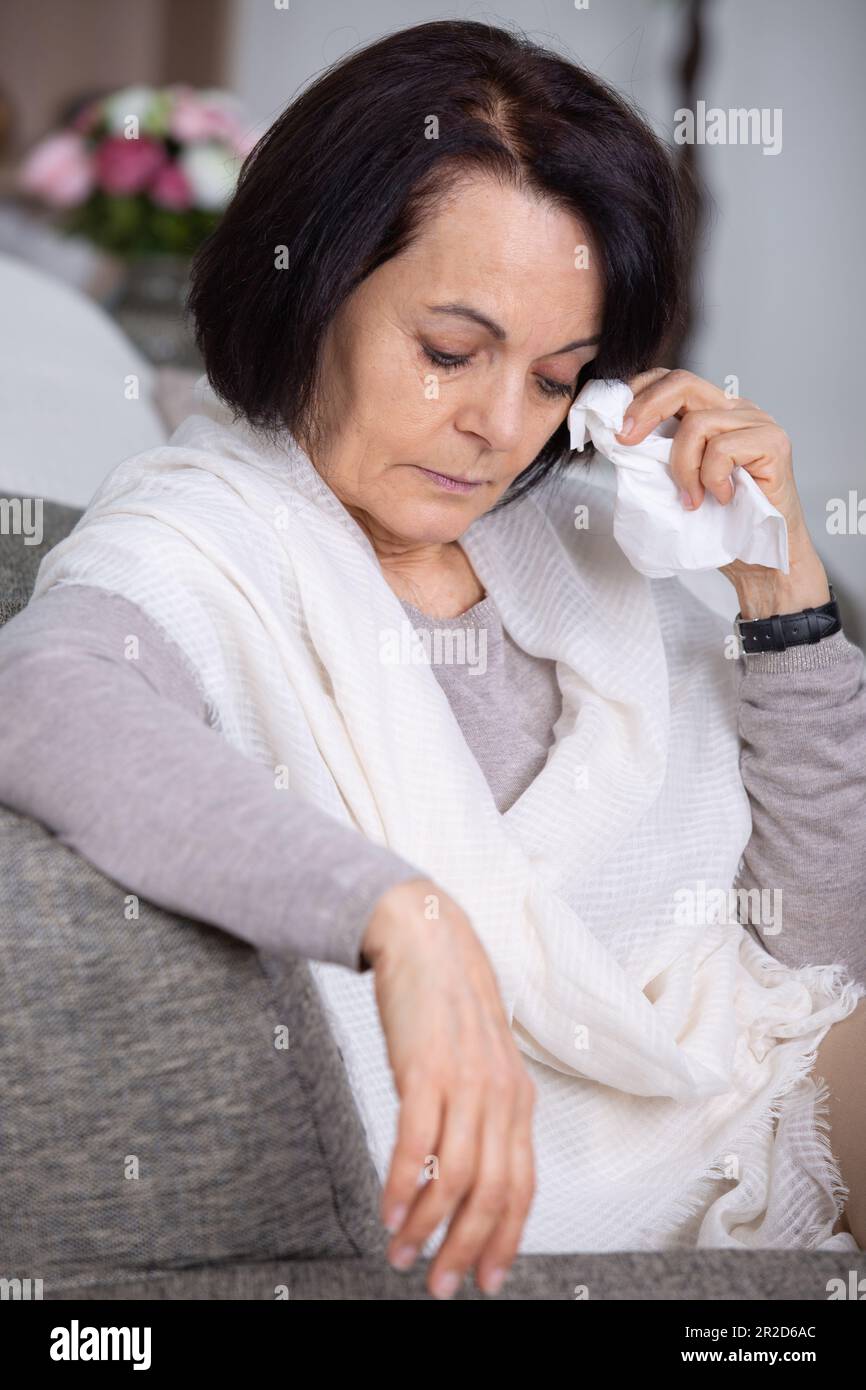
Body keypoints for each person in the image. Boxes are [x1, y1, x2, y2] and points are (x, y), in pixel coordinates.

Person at [1, 19, 864, 1301]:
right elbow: (39, 702)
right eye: (448, 354)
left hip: (761, 1098)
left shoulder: (593, 546)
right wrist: (406, 918)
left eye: (552, 378)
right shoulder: (199, 544)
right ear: (314, 285)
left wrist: (783, 597)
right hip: (555, 1178)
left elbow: (813, 964)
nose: (493, 429)